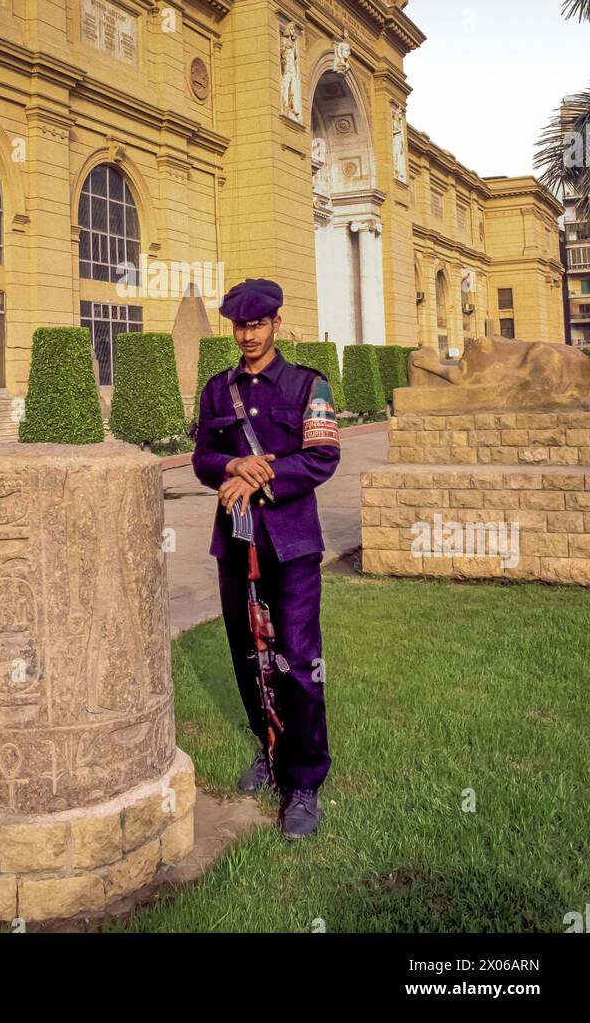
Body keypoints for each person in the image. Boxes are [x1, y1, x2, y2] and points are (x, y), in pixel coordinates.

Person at [191, 277, 341, 839]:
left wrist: (263, 474)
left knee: (299, 663)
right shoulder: (216, 390)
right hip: (236, 543)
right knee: (250, 657)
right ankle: (270, 753)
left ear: (277, 323)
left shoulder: (309, 385)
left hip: (293, 545)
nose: (248, 335)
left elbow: (323, 456)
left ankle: (304, 780)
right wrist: (231, 469)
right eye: (240, 325)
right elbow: (203, 456)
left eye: (257, 324)